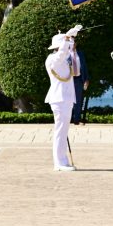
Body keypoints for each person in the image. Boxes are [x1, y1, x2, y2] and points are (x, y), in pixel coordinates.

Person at [44, 26, 81, 171]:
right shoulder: (53, 59)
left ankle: (63, 161)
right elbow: (60, 55)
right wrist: (66, 39)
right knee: (60, 131)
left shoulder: (65, 59)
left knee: (63, 131)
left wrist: (73, 48)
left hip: (66, 98)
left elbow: (77, 71)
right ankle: (59, 163)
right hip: (59, 98)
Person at [71, 45, 89, 125]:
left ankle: (76, 120)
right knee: (68, 100)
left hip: (79, 79)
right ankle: (68, 119)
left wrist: (86, 79)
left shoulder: (80, 53)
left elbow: (84, 66)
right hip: (68, 80)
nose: (73, 44)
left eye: (74, 42)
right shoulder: (65, 54)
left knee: (78, 100)